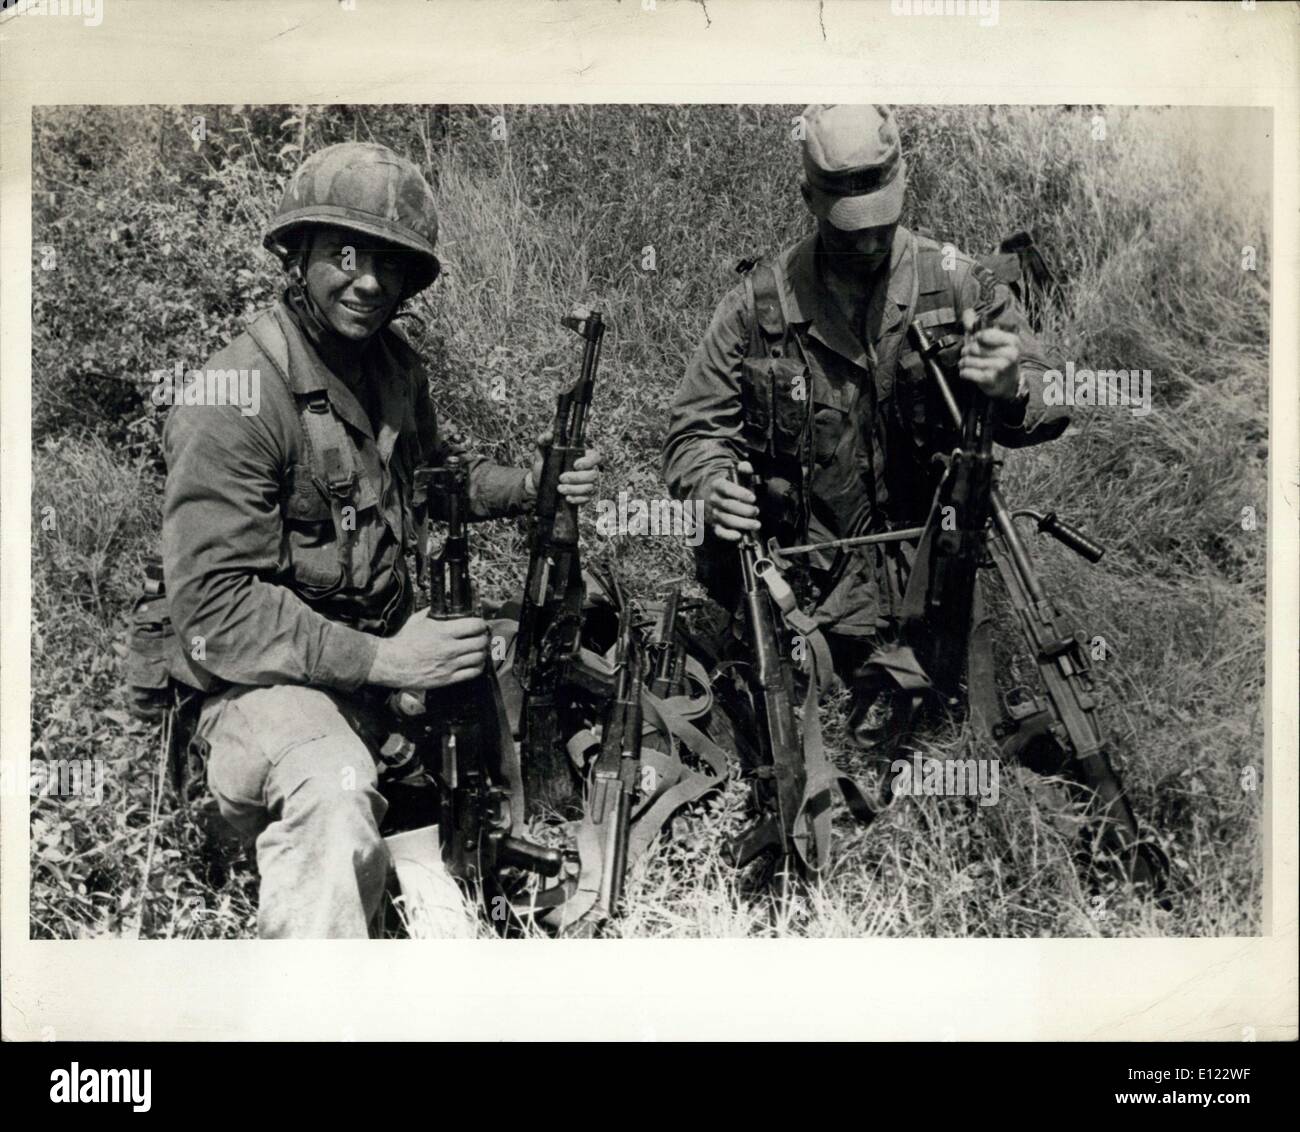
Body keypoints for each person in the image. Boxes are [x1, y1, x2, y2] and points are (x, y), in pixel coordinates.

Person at [161, 141, 601, 938]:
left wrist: (535, 482)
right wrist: (386, 661)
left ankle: (491, 872)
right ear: (297, 256)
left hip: (376, 664)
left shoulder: (392, 366)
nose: (367, 281)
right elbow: (212, 611)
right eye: (345, 253)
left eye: (389, 264)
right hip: (260, 690)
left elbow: (435, 481)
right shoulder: (233, 396)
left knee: (531, 657)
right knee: (333, 787)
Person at [662, 104, 1069, 759]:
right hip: (808, 596)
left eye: (881, 222)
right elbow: (693, 432)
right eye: (848, 227)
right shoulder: (756, 309)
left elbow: (1055, 393)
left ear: (904, 184)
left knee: (994, 753)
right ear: (808, 198)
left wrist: (1013, 385)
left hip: (944, 591)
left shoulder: (960, 284)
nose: (870, 242)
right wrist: (711, 482)